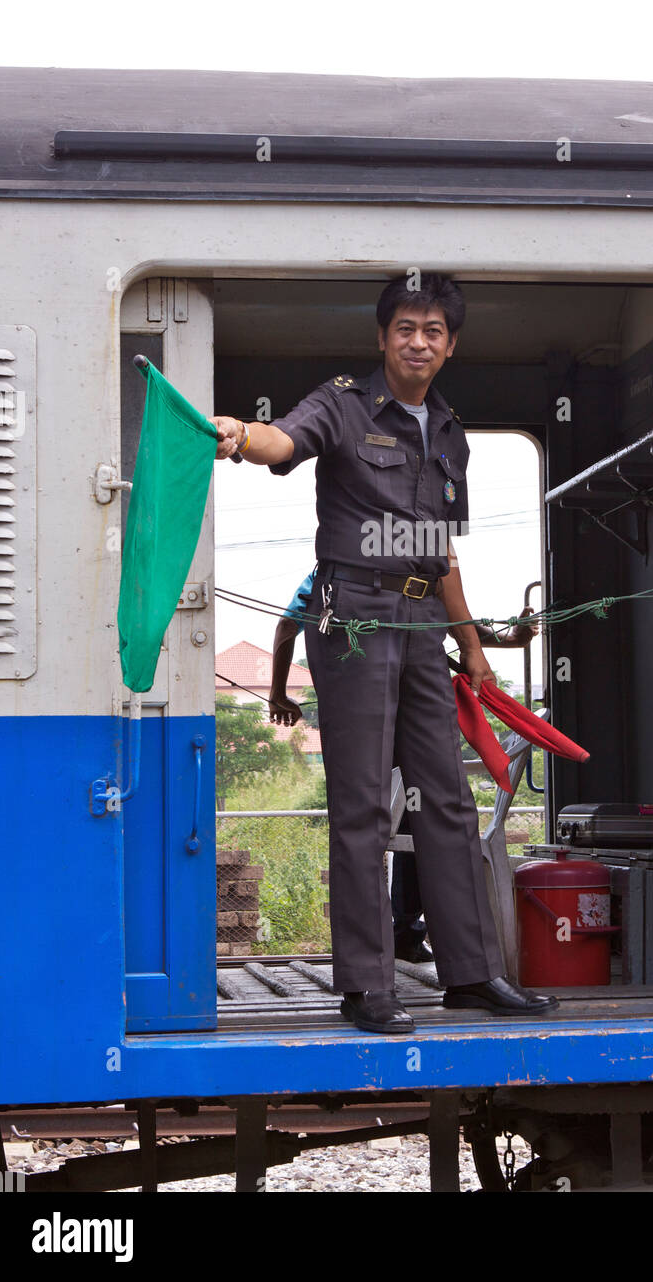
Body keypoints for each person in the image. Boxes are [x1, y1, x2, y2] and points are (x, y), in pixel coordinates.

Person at [214, 272, 557, 1033]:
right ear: (382, 336)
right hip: (355, 622)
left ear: (451, 344)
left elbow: (444, 556)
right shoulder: (340, 402)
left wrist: (473, 650)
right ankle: (368, 987)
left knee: (449, 801)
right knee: (365, 805)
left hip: (423, 625)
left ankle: (471, 974)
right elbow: (284, 441)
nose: (419, 341)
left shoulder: (450, 432)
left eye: (434, 330)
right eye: (406, 326)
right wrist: (239, 434)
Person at [268, 568, 538, 963]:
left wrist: (506, 641)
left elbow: (451, 616)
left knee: (419, 814)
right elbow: (287, 623)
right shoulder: (333, 577)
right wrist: (276, 692)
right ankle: (374, 956)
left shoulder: (418, 574)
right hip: (368, 715)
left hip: (411, 716)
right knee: (371, 818)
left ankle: (409, 930)